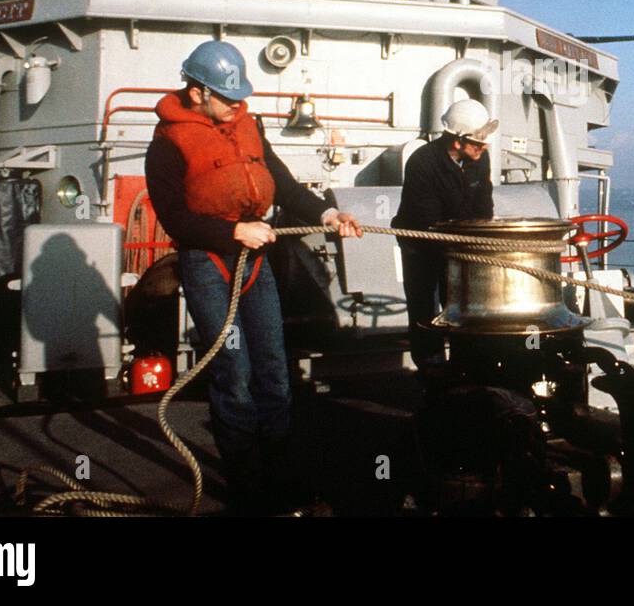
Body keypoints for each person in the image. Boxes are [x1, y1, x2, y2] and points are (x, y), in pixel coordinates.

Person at [144, 40, 362, 513]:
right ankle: (246, 485)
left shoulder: (247, 124)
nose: (238, 104)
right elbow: (175, 219)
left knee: (273, 370)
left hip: (256, 261)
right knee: (233, 376)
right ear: (198, 92)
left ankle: (281, 475)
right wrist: (233, 231)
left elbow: (281, 181)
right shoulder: (166, 145)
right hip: (208, 263)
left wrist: (327, 214)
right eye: (228, 96)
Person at [391, 99, 496, 368]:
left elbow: (484, 204)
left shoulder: (480, 158)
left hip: (460, 246)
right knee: (424, 309)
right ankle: (432, 372)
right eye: (477, 142)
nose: (483, 147)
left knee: (464, 308)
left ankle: (465, 370)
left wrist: (481, 240)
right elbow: (430, 220)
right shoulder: (422, 162)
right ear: (457, 141)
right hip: (421, 245)